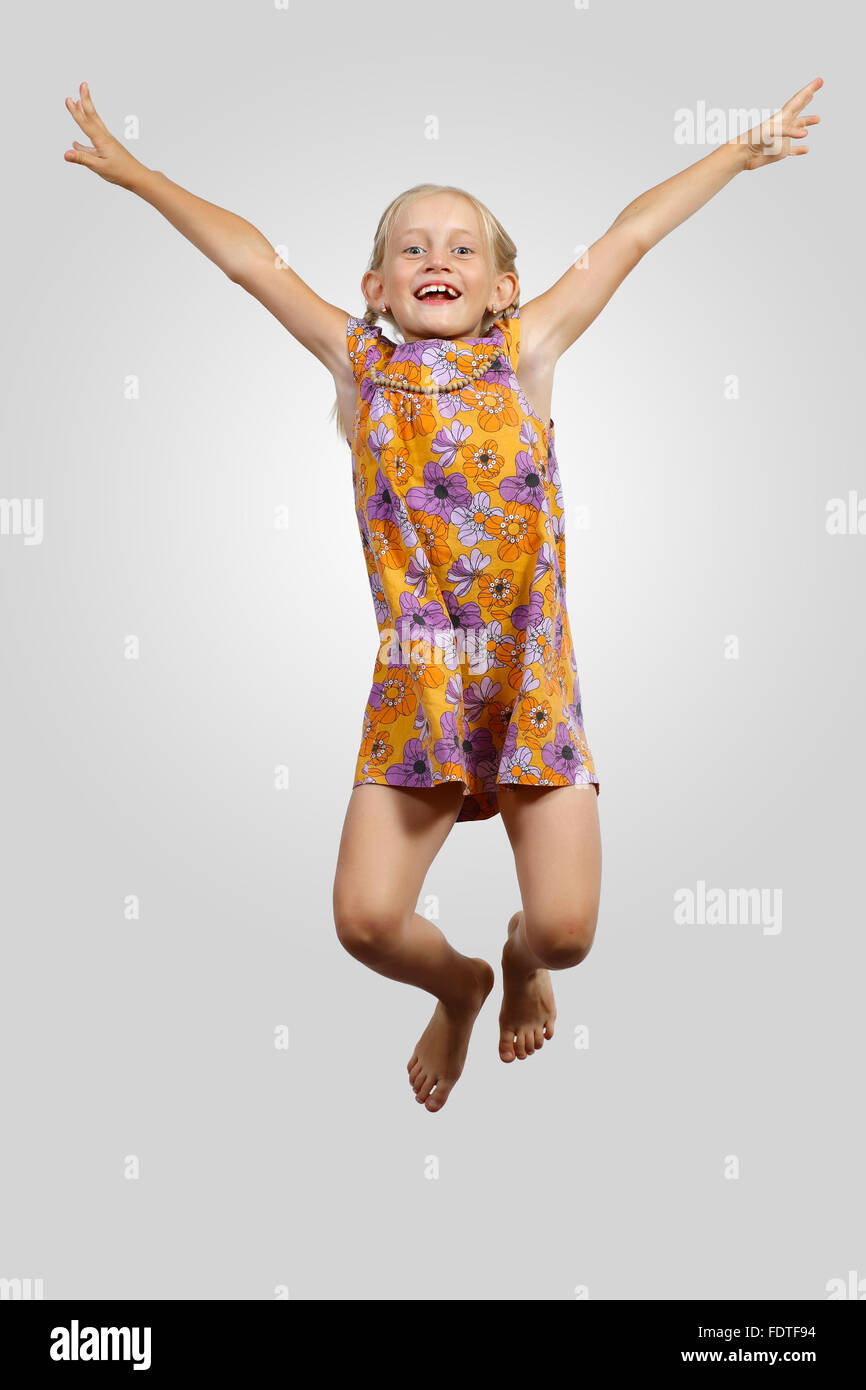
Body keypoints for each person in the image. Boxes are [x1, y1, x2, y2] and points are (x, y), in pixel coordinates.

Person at [64, 76, 822, 1113]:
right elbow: (249, 260)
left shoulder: (529, 351)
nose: (437, 260)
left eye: (463, 247)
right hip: (417, 692)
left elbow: (629, 235)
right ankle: (458, 985)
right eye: (412, 247)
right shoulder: (358, 361)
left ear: (503, 287)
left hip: (528, 685)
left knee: (565, 932)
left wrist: (735, 154)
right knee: (366, 923)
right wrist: (138, 172)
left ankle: (514, 961)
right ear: (374, 286)